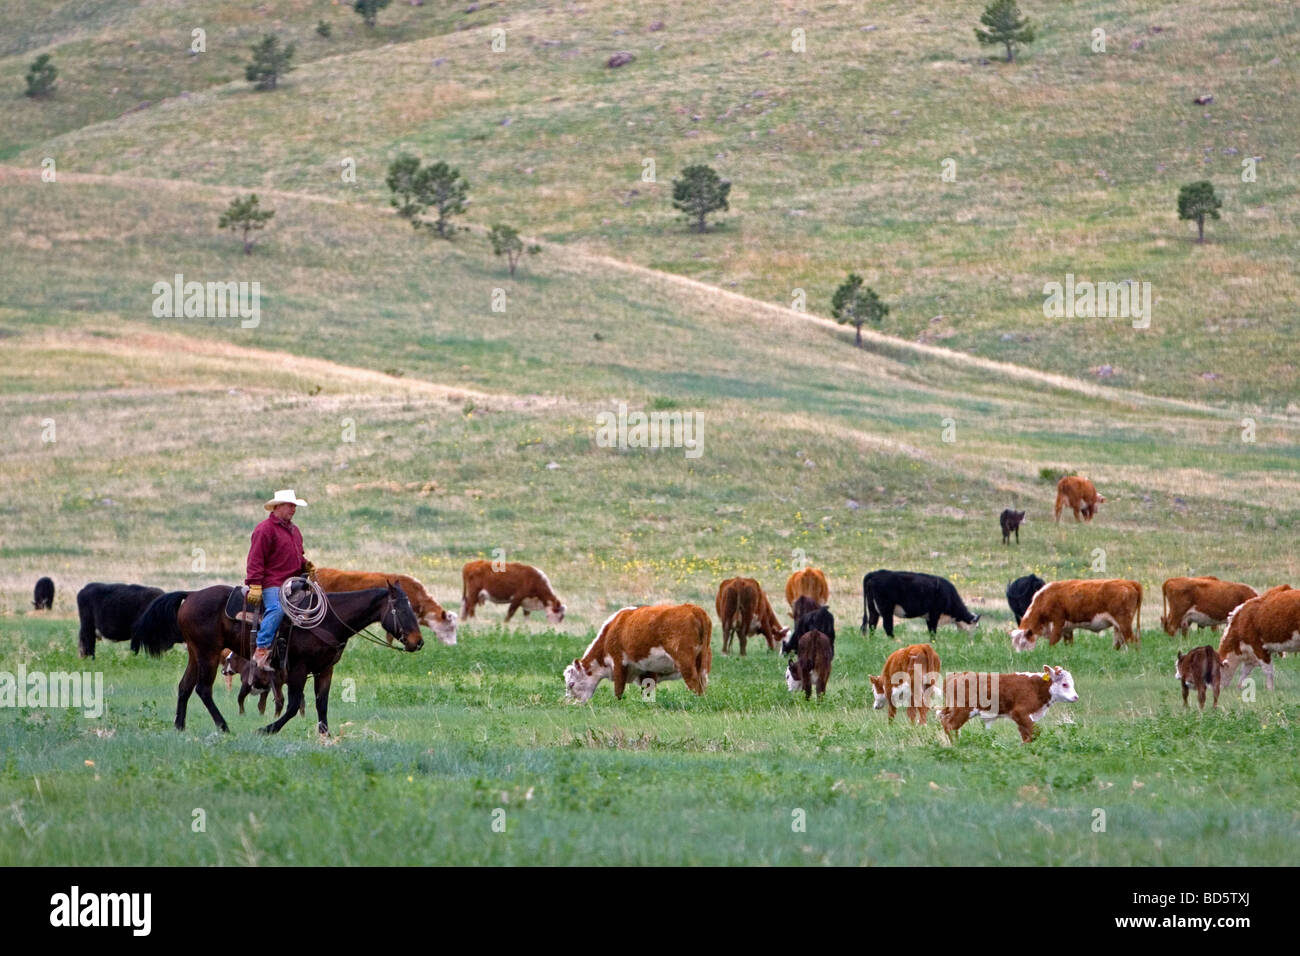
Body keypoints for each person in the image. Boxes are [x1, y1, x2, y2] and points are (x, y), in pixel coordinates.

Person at [245, 489, 316, 670]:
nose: (293, 509)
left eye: (294, 506)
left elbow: (296, 555)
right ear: (277, 507)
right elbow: (255, 559)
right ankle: (262, 649)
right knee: (277, 608)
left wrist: (305, 564)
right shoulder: (264, 530)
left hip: (294, 582)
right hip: (273, 583)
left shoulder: (294, 530)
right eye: (290, 505)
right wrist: (255, 584)